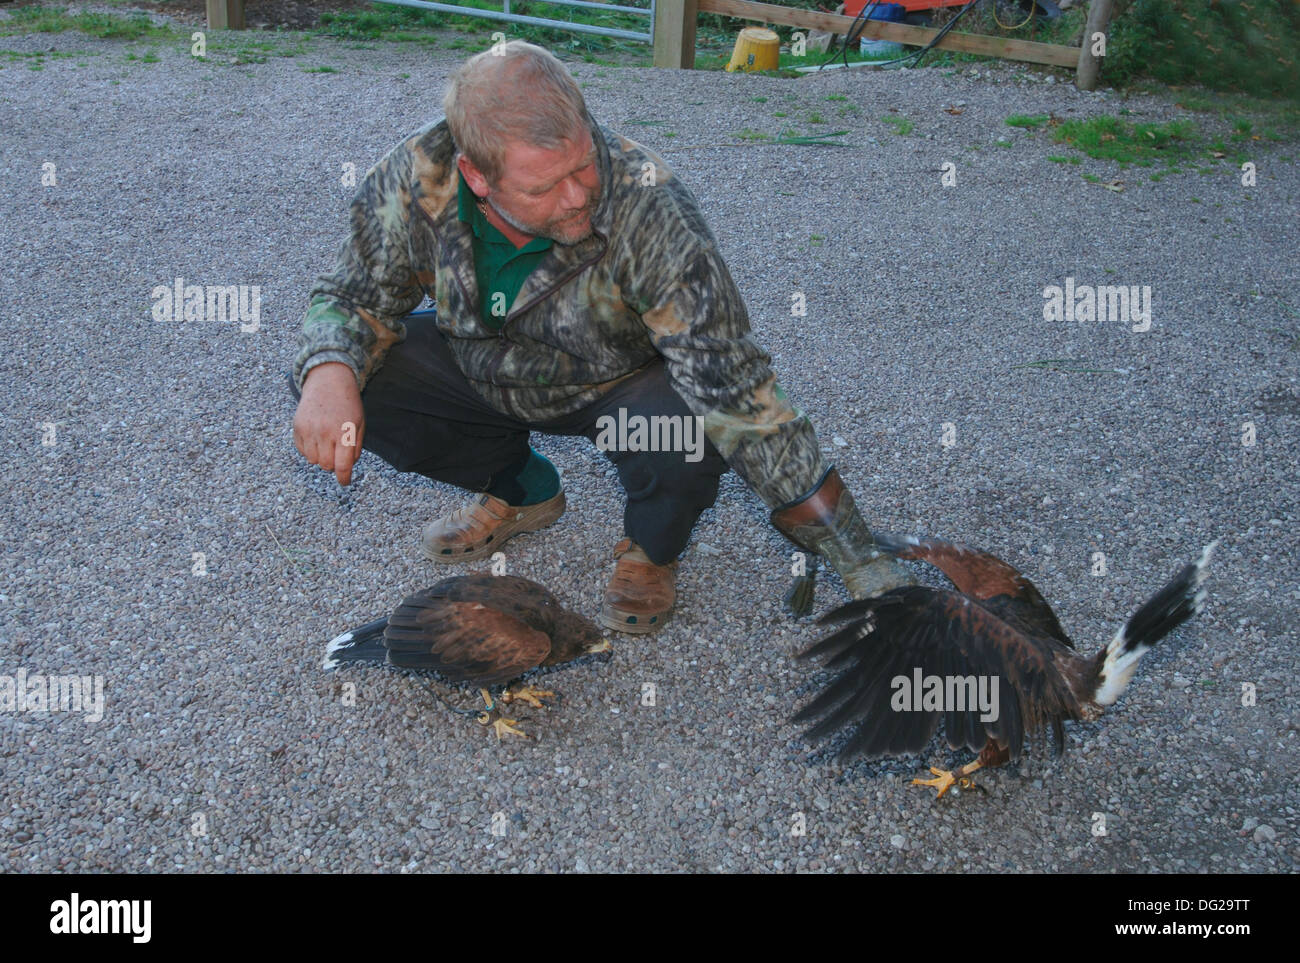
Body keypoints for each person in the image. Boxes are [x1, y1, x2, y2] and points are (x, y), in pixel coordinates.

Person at [289, 40, 914, 634]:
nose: (577, 196)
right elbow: (353, 297)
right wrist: (326, 376)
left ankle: (652, 547)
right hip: (481, 368)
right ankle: (523, 490)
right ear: (477, 177)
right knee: (355, 379)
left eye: (584, 165)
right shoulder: (414, 178)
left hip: (619, 388)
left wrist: (856, 554)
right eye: (543, 187)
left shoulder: (649, 204)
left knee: (690, 427)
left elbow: (730, 378)